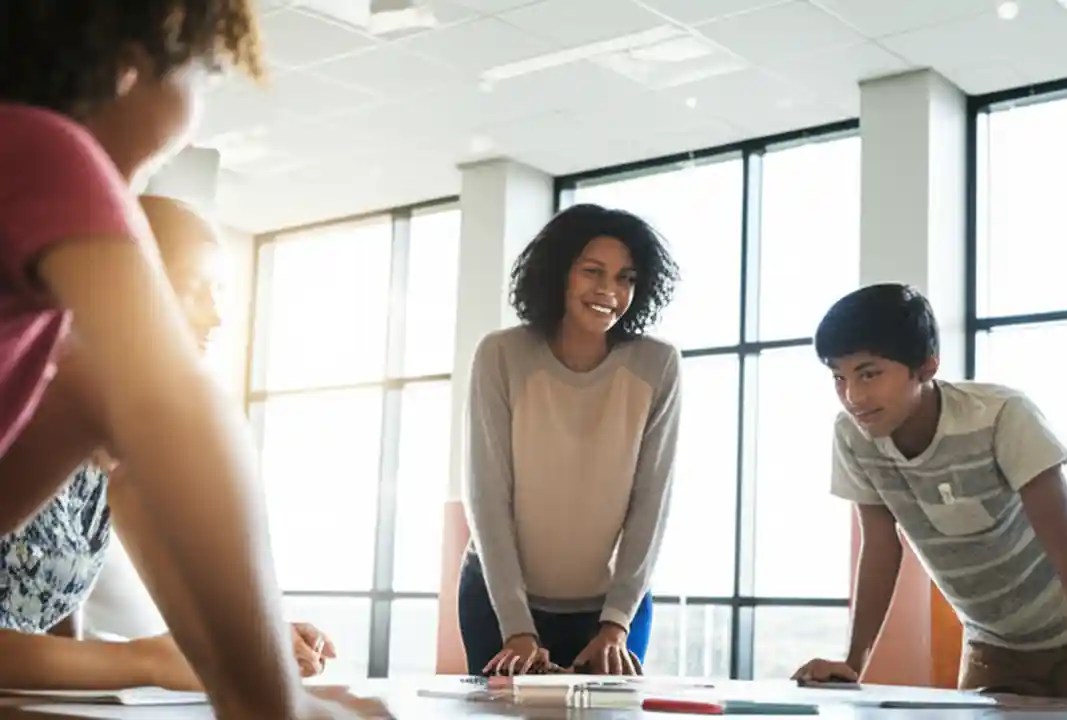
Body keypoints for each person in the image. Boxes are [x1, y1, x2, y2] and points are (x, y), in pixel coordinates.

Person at [0, 4, 374, 716]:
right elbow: (180, 407)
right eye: (201, 69)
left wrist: (232, 653)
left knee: (100, 392)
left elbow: (139, 452)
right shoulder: (44, 145)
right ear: (132, 60)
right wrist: (279, 704)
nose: (202, 100)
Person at [0, 195, 339, 691]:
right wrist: (150, 659)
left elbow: (52, 639)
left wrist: (258, 641)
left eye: (219, 292)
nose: (217, 317)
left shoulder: (103, 460)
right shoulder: (19, 415)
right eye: (192, 289)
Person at [791, 284, 1067, 708]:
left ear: (927, 366)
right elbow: (879, 547)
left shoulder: (1002, 415)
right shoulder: (852, 436)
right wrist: (853, 662)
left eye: (869, 373)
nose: (853, 396)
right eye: (840, 377)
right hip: (996, 641)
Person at [460, 204, 681, 676]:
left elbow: (651, 504)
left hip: (610, 611)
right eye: (592, 272)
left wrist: (616, 624)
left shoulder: (658, 365)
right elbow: (487, 495)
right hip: (498, 601)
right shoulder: (501, 354)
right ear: (559, 273)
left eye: (625, 278)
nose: (609, 291)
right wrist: (517, 627)